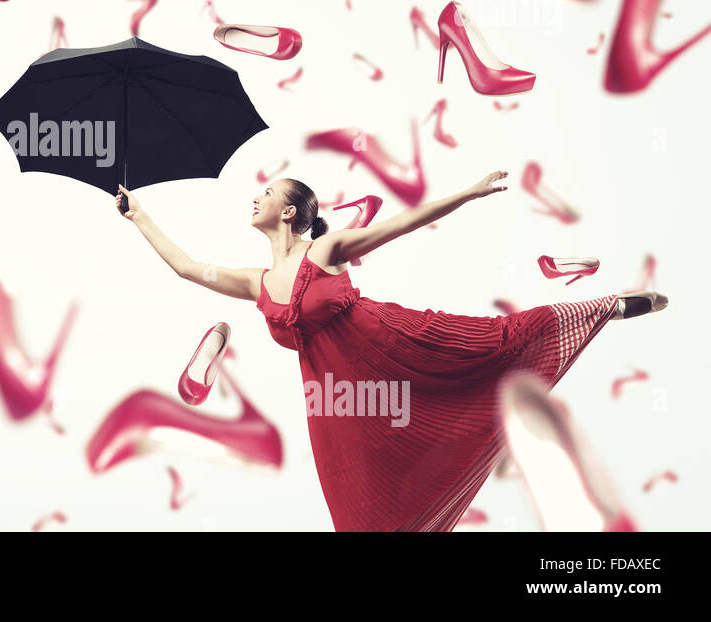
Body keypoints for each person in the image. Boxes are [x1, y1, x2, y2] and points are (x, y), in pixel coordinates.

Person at [116, 171, 668, 531]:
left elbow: (400, 224)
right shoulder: (254, 280)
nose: (254, 198)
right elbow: (187, 267)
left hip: (399, 345)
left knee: (500, 342)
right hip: (340, 402)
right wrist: (138, 214)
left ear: (289, 213)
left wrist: (467, 193)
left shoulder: (325, 249)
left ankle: (604, 308)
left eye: (265, 193)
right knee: (362, 511)